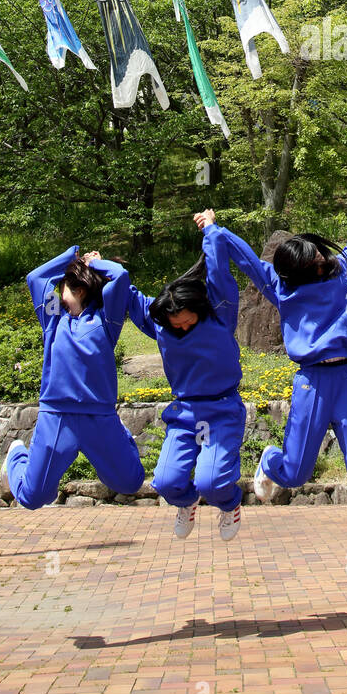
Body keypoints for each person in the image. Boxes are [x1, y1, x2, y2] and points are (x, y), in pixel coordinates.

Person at [209, 180, 347, 508]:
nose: (323, 265)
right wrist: (215, 230)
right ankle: (269, 461)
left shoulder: (345, 273)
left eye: (322, 258)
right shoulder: (281, 288)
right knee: (293, 474)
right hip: (311, 382)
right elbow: (248, 259)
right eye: (315, 265)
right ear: (295, 271)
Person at [125, 210, 245, 541]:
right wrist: (103, 267)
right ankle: (186, 502)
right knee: (165, 483)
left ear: (199, 309)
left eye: (187, 321)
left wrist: (210, 229)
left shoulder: (219, 314)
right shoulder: (161, 325)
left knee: (212, 482)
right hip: (184, 413)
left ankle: (231, 504)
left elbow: (219, 269)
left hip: (221, 411)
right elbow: (131, 296)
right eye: (176, 324)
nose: (182, 327)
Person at [0, 248, 144, 509]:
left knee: (130, 482)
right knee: (34, 498)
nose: (58, 292)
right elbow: (36, 278)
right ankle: (16, 455)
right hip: (57, 417)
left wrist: (96, 264)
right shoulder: (54, 318)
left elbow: (121, 277)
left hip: (99, 418)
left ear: (79, 290)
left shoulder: (105, 319)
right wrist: (70, 257)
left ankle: (123, 436)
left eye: (63, 287)